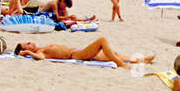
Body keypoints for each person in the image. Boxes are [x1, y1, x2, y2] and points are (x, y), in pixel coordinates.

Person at [16, 38, 153, 68]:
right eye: (27, 45)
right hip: (75, 55)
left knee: (112, 53)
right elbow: (40, 58)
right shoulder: (40, 52)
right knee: (102, 41)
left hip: (77, 51)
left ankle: (139, 60)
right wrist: (28, 53)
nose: (30, 43)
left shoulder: (42, 47)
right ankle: (122, 64)